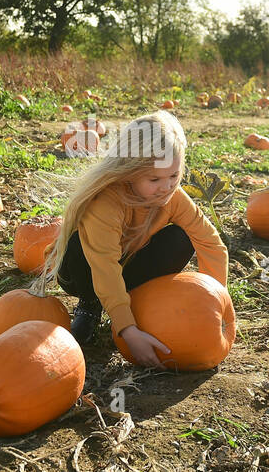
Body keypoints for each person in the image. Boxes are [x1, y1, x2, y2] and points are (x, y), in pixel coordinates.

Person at [40, 110, 228, 365]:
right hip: (83, 270)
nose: (167, 186)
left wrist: (217, 302)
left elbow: (211, 243)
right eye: (154, 179)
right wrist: (128, 330)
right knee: (80, 253)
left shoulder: (173, 198)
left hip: (127, 265)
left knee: (180, 239)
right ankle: (90, 303)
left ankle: (139, 303)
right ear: (129, 172)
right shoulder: (106, 202)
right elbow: (105, 266)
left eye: (174, 175)